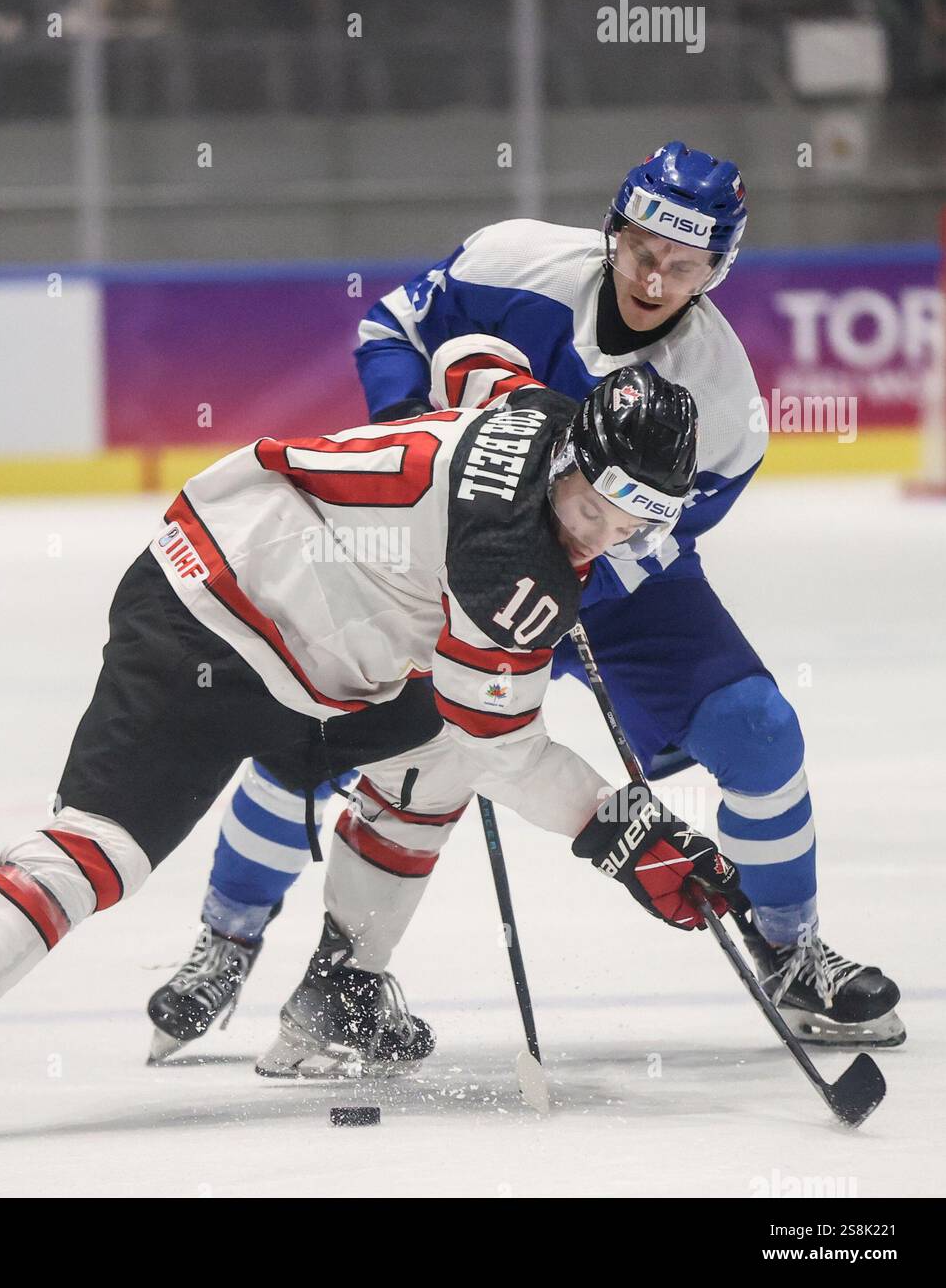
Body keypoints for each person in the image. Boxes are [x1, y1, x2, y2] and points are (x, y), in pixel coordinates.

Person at [0, 366, 743, 1145]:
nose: (611, 529)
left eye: (642, 516)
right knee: (107, 846)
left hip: (298, 640)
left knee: (438, 747)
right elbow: (510, 750)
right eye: (605, 502)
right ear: (572, 459)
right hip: (210, 628)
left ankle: (337, 994)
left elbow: (474, 361)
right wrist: (625, 833)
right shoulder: (511, 573)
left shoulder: (537, 410)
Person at [148, 141, 903, 1059]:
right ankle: (225, 941)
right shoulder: (512, 263)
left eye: (684, 266)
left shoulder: (723, 398)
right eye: (640, 251)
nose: (655, 279)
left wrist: (558, 584)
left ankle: (790, 952)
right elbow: (392, 328)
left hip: (615, 581)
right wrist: (414, 443)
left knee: (758, 732)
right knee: (316, 737)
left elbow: (665, 536)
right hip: (444, 563)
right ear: (613, 230)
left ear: (719, 270)